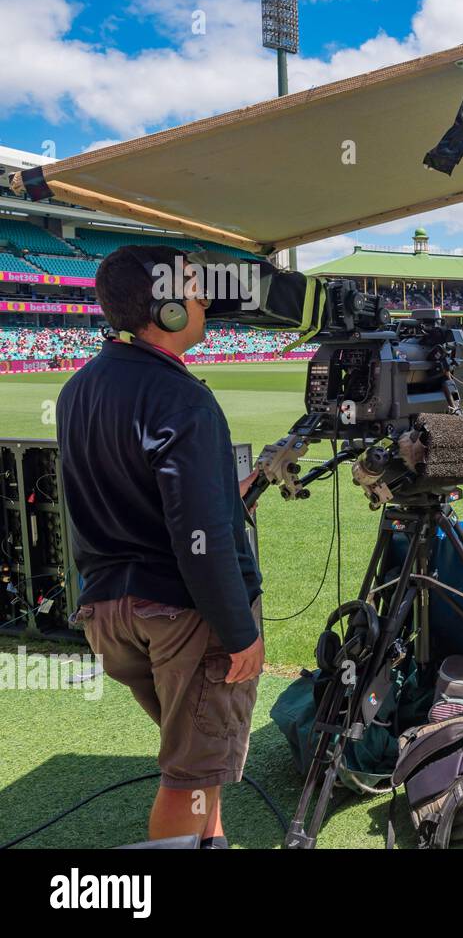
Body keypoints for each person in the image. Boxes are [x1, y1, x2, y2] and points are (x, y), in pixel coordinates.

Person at [57, 245, 264, 848]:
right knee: (189, 771)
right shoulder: (184, 397)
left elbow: (128, 490)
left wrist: (226, 488)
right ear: (168, 310)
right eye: (196, 290)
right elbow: (198, 539)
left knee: (200, 745)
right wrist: (237, 630)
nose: (205, 302)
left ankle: (212, 838)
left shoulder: (77, 389)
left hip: (109, 613)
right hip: (182, 615)